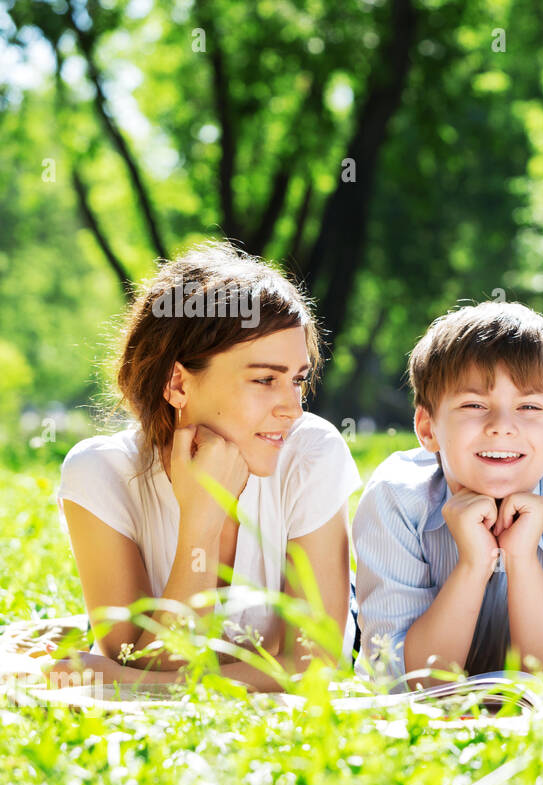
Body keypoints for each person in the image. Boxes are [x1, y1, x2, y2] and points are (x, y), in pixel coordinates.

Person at [50, 241, 361, 690]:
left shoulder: (311, 454)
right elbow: (138, 661)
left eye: (297, 379)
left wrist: (134, 682)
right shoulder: (100, 474)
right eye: (264, 379)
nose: (293, 408)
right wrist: (201, 523)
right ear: (178, 382)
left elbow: (312, 667)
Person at [354, 301, 543, 690]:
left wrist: (520, 559)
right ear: (427, 427)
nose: (501, 426)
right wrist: (473, 564)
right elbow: (404, 684)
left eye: (529, 406)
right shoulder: (395, 498)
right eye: (474, 405)